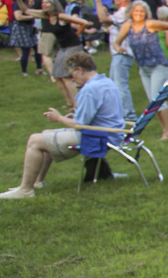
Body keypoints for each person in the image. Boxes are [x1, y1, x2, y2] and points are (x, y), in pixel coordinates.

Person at [1, 52, 125, 199]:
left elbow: (79, 124)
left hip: (99, 137)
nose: (71, 79)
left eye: (72, 74)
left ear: (79, 70)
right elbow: (93, 116)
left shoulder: (90, 89)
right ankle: (37, 182)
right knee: (45, 134)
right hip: (111, 133)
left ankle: (25, 190)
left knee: (35, 140)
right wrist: (74, 117)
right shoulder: (106, 82)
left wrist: (59, 118)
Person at [111, 1, 168, 139]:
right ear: (131, 12)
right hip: (143, 68)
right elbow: (116, 42)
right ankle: (165, 131)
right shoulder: (128, 25)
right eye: (136, 11)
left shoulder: (150, 24)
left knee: (157, 100)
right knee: (152, 102)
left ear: (146, 13)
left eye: (141, 11)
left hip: (158, 65)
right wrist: (118, 48)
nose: (138, 14)